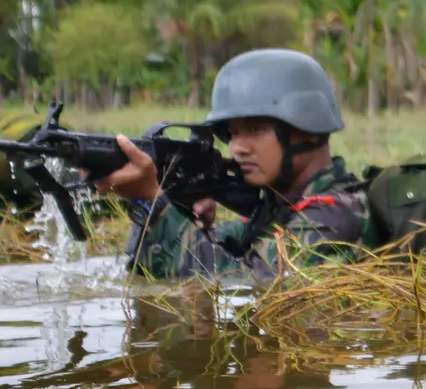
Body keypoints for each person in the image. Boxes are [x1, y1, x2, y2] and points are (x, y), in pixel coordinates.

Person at [97, 48, 373, 281]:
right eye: (232, 133)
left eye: (255, 129)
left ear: (308, 129)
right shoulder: (277, 210)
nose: (237, 147)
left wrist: (155, 205)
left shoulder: (334, 216)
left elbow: (244, 283)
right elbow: (207, 254)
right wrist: (176, 210)